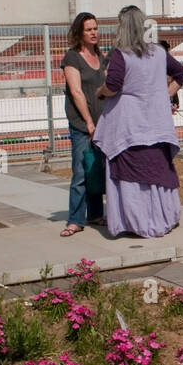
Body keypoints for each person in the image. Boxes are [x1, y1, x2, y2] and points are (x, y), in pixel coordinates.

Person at [93, 6, 183, 238]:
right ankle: (163, 217)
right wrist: (162, 95)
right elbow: (181, 74)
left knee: (129, 173)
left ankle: (134, 222)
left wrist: (100, 92)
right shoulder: (158, 52)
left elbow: (113, 85)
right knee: (157, 169)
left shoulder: (121, 54)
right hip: (156, 125)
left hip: (128, 126)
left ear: (122, 26)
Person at [60, 12, 107, 234]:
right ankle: (76, 219)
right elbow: (76, 91)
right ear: (79, 32)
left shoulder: (101, 56)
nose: (94, 33)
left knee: (96, 169)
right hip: (82, 124)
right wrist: (88, 121)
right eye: (89, 29)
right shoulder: (72, 58)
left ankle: (96, 214)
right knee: (80, 172)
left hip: (102, 123)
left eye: (95, 28)